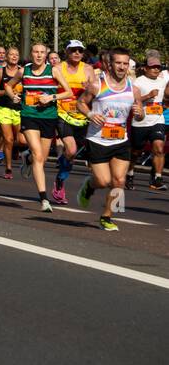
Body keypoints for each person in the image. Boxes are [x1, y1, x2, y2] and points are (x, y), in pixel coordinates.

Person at [77, 48, 146, 230]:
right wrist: (91, 114)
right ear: (110, 64)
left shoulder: (134, 89)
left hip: (120, 140)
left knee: (119, 181)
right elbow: (80, 103)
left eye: (125, 63)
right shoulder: (97, 85)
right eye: (118, 63)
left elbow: (140, 115)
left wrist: (140, 114)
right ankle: (89, 186)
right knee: (103, 181)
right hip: (98, 139)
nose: (122, 67)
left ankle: (107, 216)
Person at [18, 42, 61, 211]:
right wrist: (12, 94)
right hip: (29, 115)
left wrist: (51, 98)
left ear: (46, 55)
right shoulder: (24, 71)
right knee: (38, 154)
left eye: (42, 52)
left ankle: (27, 159)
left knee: (40, 159)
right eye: (36, 52)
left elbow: (68, 92)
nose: (39, 55)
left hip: (49, 117)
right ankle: (44, 199)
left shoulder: (54, 70)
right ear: (31, 53)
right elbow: (8, 85)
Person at [53, 40, 96, 203]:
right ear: (66, 52)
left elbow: (95, 93)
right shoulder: (58, 68)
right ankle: (59, 182)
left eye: (80, 50)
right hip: (62, 113)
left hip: (81, 116)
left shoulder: (88, 69)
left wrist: (89, 89)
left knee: (72, 153)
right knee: (70, 150)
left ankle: (61, 172)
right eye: (73, 50)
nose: (77, 53)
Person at [131, 50, 167, 191]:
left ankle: (157, 178)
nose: (156, 69)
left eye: (158, 67)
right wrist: (148, 96)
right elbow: (133, 100)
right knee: (136, 152)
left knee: (159, 147)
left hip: (158, 120)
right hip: (140, 121)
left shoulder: (163, 80)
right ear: (145, 68)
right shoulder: (138, 82)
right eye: (152, 67)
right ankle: (129, 173)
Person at [0, 48, 25, 178]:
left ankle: (19, 152)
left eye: (17, 54)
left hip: (19, 109)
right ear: (6, 57)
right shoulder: (0, 72)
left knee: (21, 140)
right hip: (3, 108)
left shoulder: (23, 72)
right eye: (11, 54)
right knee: (8, 139)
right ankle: (8, 168)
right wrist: (7, 92)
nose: (14, 57)